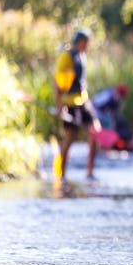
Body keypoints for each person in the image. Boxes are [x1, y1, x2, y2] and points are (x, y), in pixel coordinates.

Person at [53, 29, 101, 179]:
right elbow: (59, 84)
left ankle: (90, 171)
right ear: (81, 41)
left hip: (83, 100)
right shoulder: (67, 57)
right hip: (70, 101)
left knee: (95, 131)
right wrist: (60, 105)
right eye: (87, 42)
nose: (88, 45)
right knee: (70, 137)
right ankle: (61, 173)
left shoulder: (82, 56)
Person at [92, 84, 133, 152]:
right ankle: (101, 147)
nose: (121, 98)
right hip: (96, 112)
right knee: (105, 127)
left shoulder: (117, 101)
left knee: (111, 126)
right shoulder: (108, 95)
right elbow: (95, 103)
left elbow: (116, 113)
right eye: (121, 96)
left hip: (105, 116)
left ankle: (107, 146)